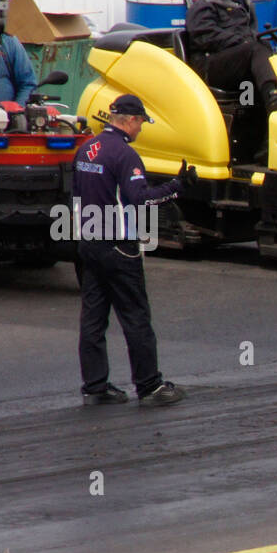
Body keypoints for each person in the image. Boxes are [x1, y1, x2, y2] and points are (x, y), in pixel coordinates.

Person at [72, 94, 195, 407]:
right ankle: (150, 386)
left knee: (93, 319)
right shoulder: (125, 155)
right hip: (118, 246)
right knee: (136, 317)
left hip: (89, 242)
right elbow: (140, 200)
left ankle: (95, 388)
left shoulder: (87, 148)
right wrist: (176, 187)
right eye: (140, 121)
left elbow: (74, 194)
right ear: (128, 120)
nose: (141, 128)